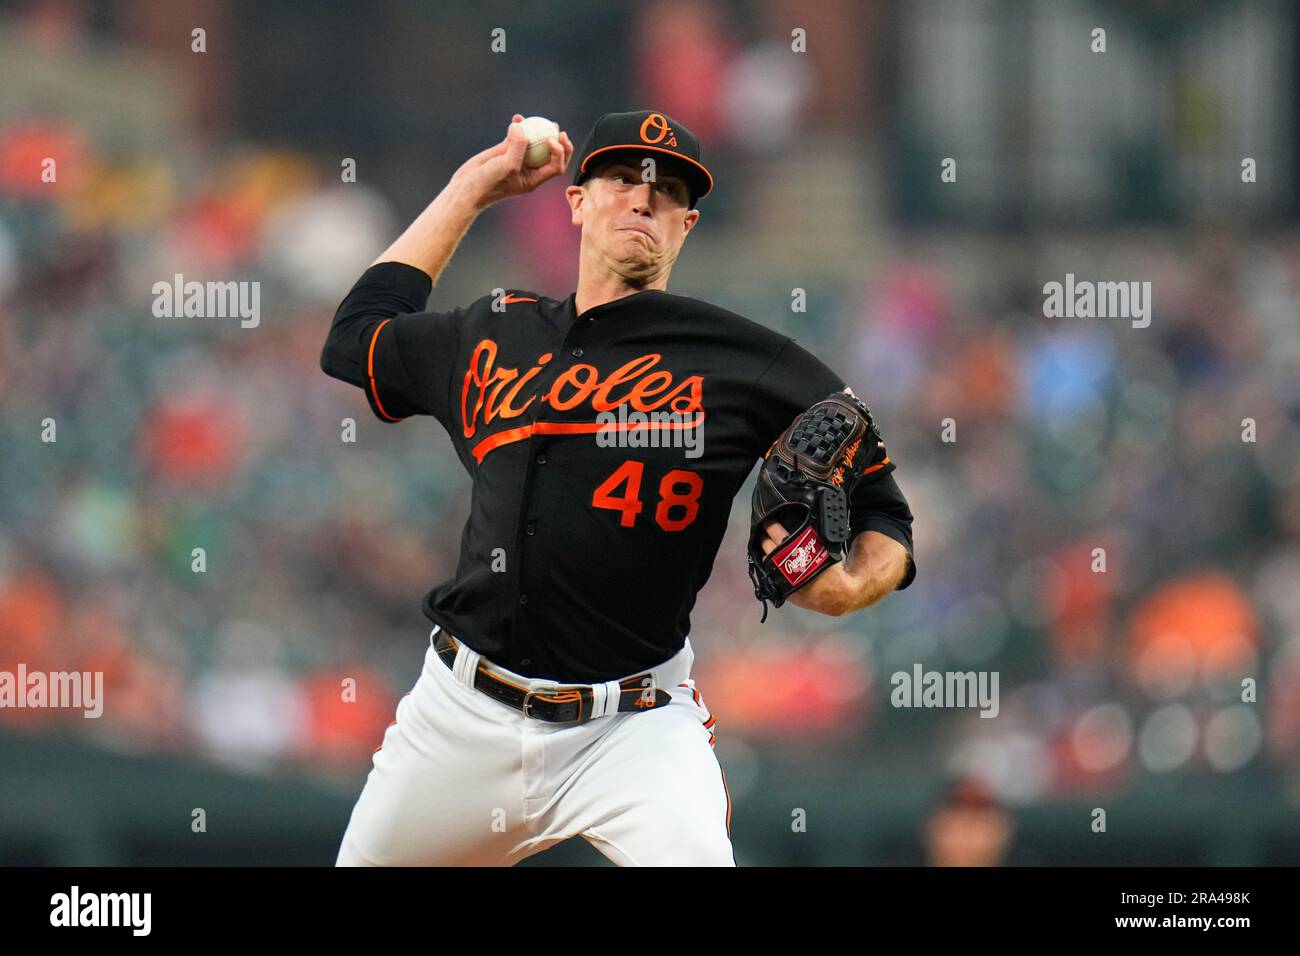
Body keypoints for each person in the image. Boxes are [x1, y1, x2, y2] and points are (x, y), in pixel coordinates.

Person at [319, 109, 916, 866]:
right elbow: (356, 338)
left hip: (634, 725)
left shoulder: (747, 361)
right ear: (575, 200)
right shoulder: (492, 335)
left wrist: (850, 585)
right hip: (461, 716)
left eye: (668, 191)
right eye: (622, 179)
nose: (643, 199)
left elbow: (885, 509)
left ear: (688, 224)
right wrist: (471, 188)